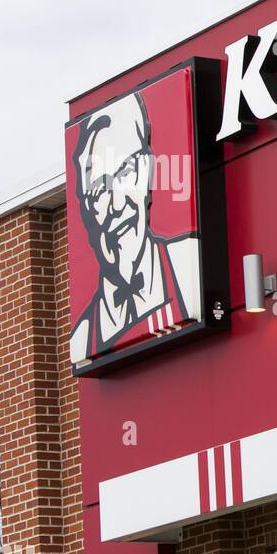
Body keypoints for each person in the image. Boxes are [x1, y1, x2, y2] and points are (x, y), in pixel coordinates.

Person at [69, 91, 199, 363]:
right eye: (99, 189)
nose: (117, 204)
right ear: (86, 208)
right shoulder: (82, 340)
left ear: (146, 171)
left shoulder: (190, 265)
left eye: (126, 172)